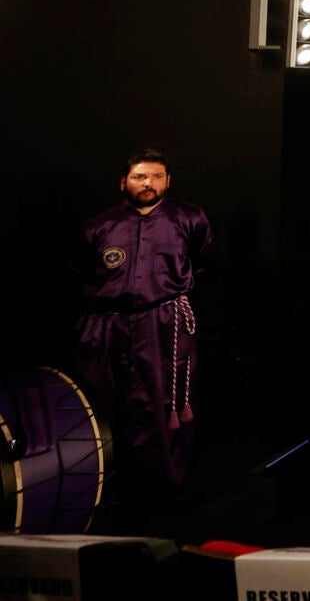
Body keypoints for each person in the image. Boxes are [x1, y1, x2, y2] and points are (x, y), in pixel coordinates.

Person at [74, 149, 213, 494]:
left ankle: (164, 481)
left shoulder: (189, 219)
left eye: (155, 176)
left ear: (168, 181)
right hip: (107, 324)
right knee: (104, 398)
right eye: (139, 177)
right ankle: (105, 482)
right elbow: (79, 269)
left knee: (163, 400)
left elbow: (203, 262)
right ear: (123, 182)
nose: (148, 183)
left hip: (164, 324)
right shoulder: (99, 225)